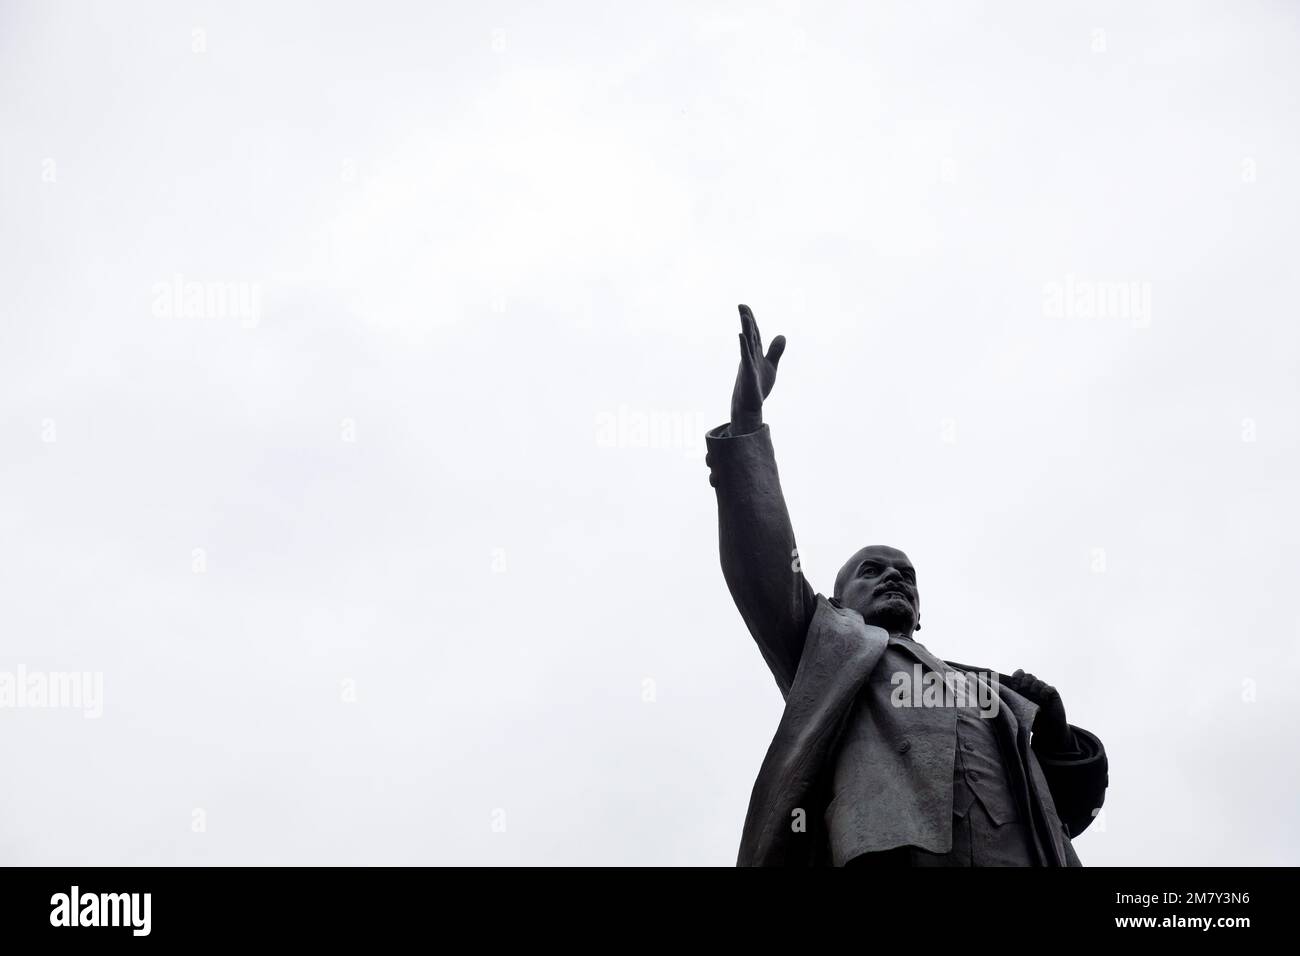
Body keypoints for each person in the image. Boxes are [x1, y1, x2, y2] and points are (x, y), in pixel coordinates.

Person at [705, 304, 1108, 866]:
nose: (895, 577)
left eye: (907, 576)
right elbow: (765, 566)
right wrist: (747, 424)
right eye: (873, 570)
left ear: (919, 614)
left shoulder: (990, 692)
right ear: (837, 602)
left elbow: (1071, 808)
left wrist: (1057, 730)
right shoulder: (828, 650)